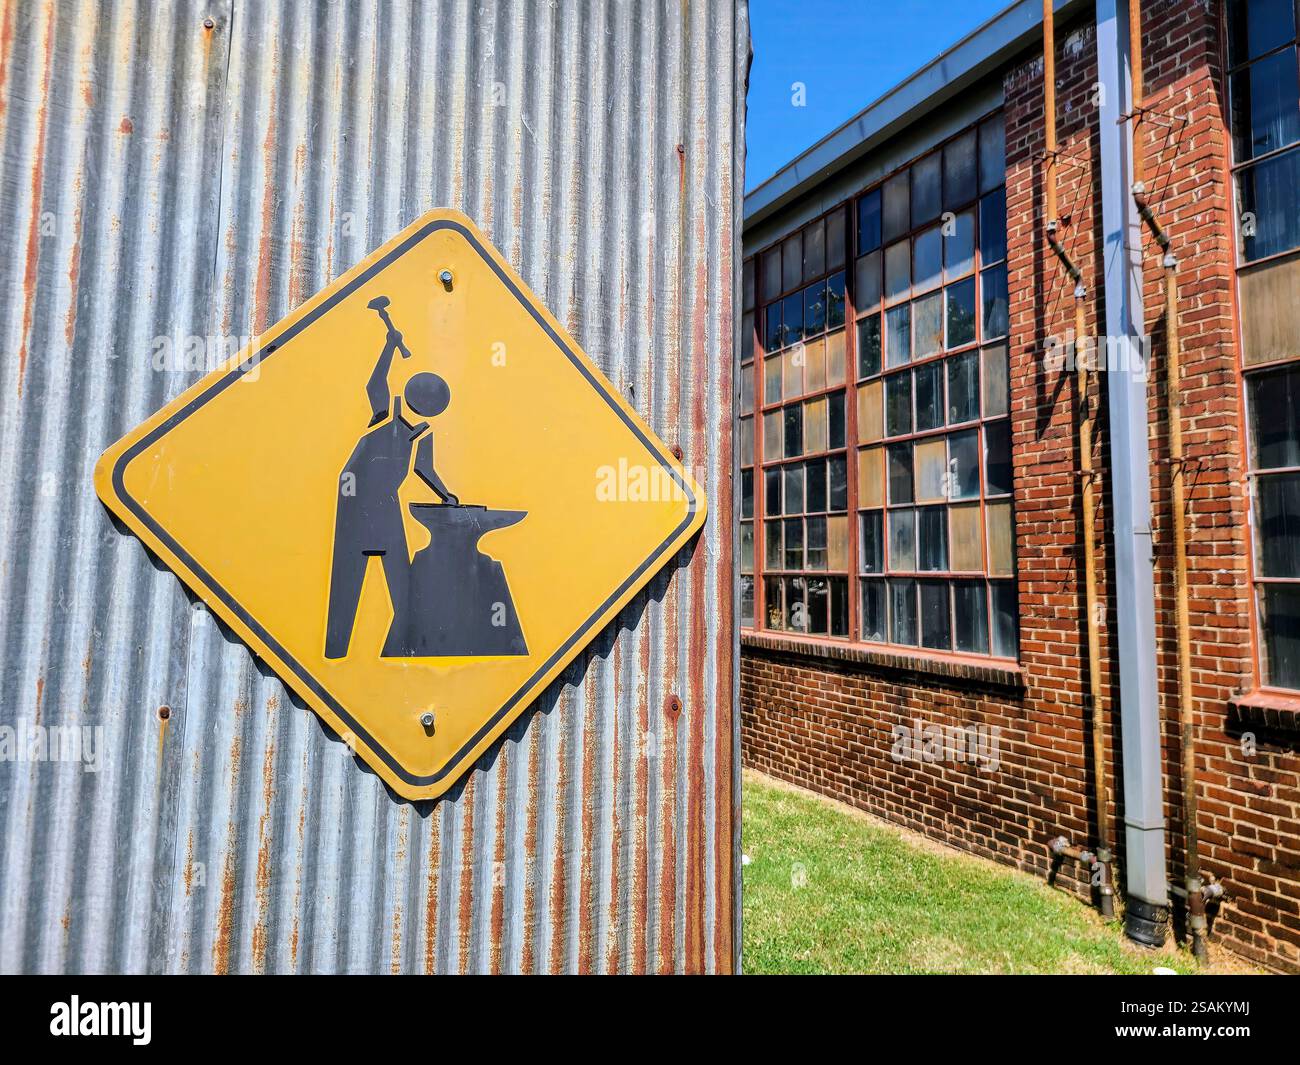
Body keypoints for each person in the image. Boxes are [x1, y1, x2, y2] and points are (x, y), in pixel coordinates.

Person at [324, 308, 457, 660]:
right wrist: (388, 345)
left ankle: (400, 654)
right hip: (354, 505)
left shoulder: (422, 433)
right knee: (346, 589)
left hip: (386, 508)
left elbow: (424, 470)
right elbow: (374, 384)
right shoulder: (386, 413)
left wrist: (447, 496)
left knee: (405, 592)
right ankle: (335, 655)